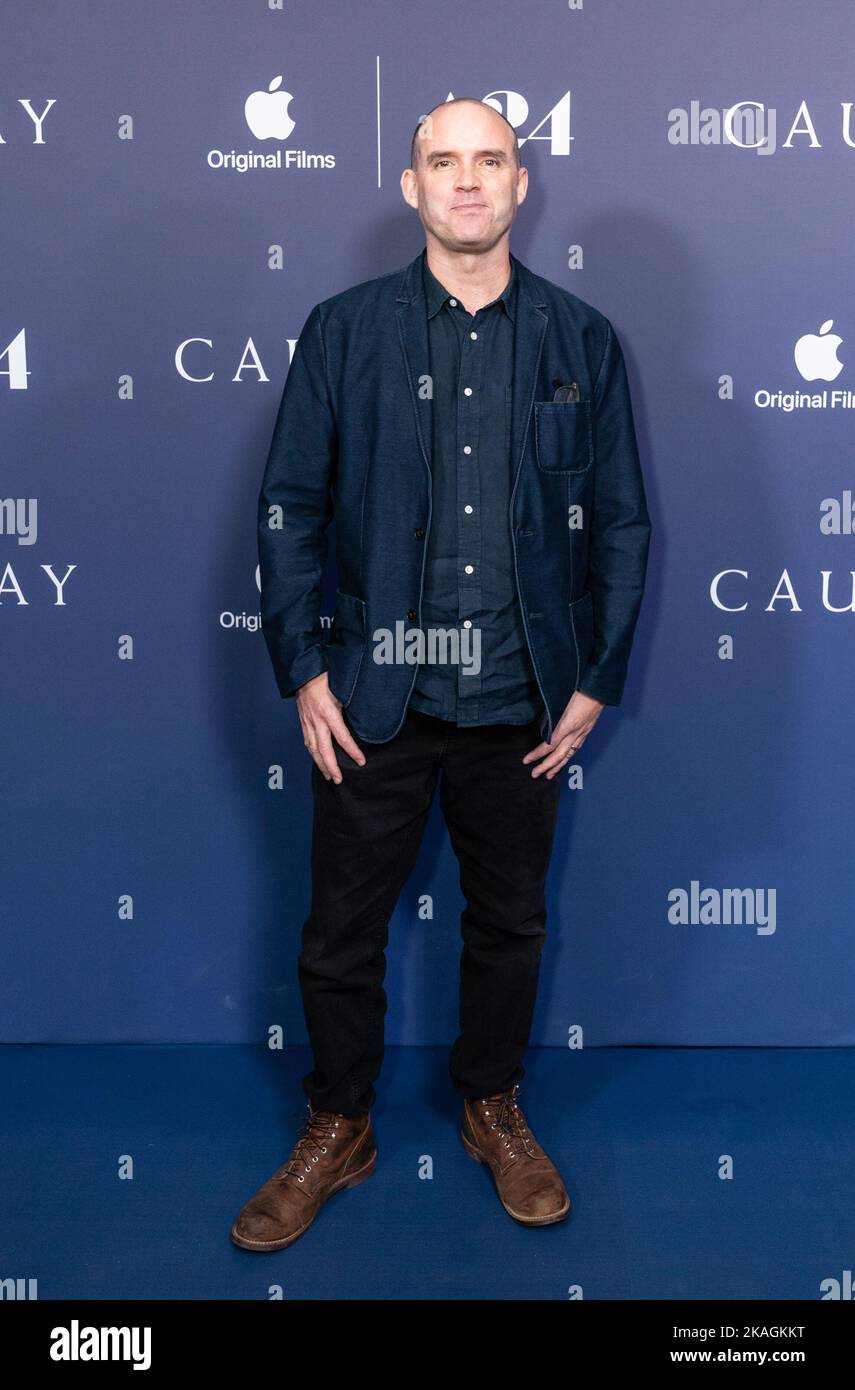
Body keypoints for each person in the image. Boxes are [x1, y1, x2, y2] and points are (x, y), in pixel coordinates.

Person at [232, 96, 651, 1251]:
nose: (468, 181)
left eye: (490, 160)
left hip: (525, 698)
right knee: (338, 932)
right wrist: (303, 670)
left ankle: (492, 1104)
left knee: (509, 924)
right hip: (375, 694)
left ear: (522, 185)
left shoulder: (582, 339)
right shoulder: (344, 329)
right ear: (409, 187)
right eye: (441, 161)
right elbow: (289, 507)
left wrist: (596, 676)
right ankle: (339, 1123)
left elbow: (619, 522)